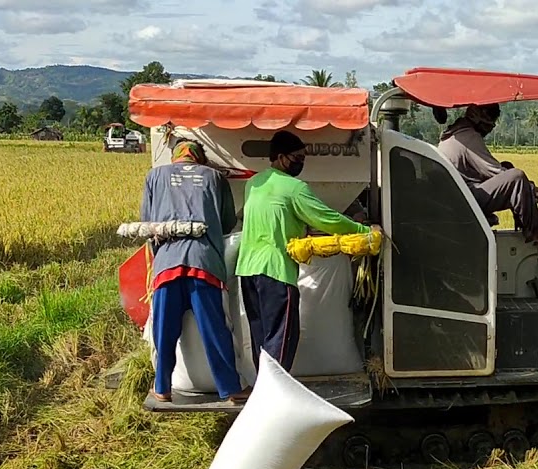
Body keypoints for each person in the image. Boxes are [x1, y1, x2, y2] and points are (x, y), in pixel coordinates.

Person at [236, 130, 381, 373]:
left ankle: (262, 384)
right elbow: (326, 218)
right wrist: (364, 230)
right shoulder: (294, 187)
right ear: (281, 157)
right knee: (282, 336)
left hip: (248, 270)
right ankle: (276, 388)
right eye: (298, 158)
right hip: (276, 270)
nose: (301, 163)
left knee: (261, 337)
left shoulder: (254, 183)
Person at [141, 139, 249, 404]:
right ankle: (231, 389)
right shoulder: (215, 177)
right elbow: (227, 222)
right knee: (215, 330)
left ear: (175, 155)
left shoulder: (155, 176)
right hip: (204, 264)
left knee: (164, 331)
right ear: (200, 157)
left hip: (167, 265)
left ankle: (162, 388)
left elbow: (147, 222)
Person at [437, 103, 538, 242]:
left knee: (507, 167)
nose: (492, 126)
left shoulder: (455, 134)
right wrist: (537, 191)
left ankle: (522, 222)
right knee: (516, 177)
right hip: (464, 200)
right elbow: (495, 171)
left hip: (459, 195)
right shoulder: (469, 137)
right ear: (479, 117)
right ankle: (535, 229)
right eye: (491, 119)